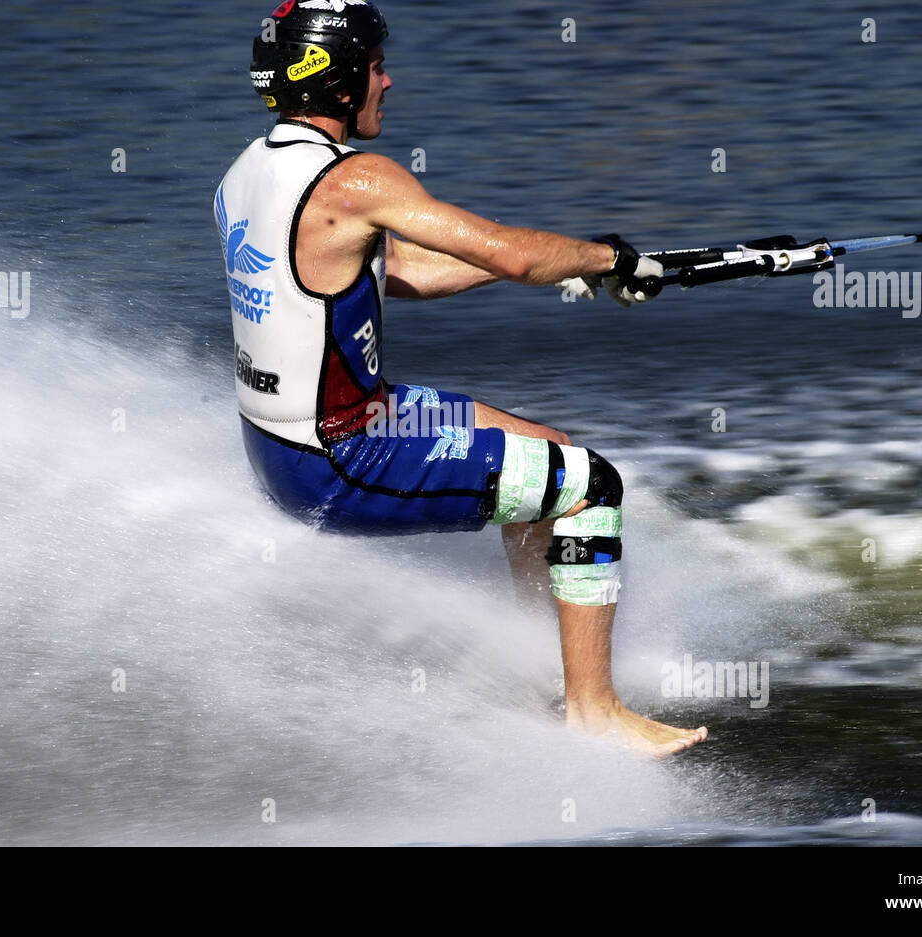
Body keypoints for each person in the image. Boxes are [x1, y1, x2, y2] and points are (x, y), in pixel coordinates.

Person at [216, 0, 706, 757]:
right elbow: (509, 251)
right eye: (376, 66)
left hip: (285, 443)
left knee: (547, 446)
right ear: (340, 82)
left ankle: (536, 659)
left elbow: (397, 270)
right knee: (589, 485)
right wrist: (607, 258)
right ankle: (594, 712)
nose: (388, 80)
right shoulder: (356, 181)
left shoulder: (250, 171)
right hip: (343, 460)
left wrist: (563, 274)